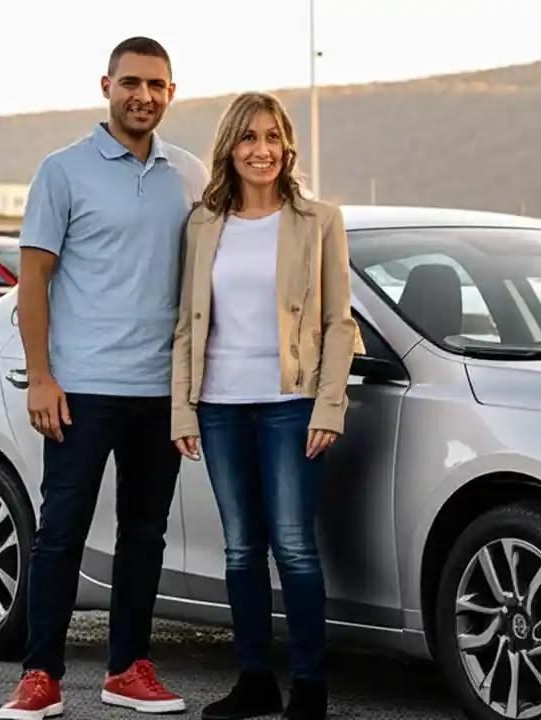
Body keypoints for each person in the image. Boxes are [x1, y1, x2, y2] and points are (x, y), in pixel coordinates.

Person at [0, 36, 208, 720]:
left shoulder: (190, 173)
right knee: (60, 529)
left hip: (160, 391)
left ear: (171, 93)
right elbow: (34, 279)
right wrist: (41, 378)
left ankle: (127, 669)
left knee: (144, 533)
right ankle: (41, 675)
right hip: (81, 388)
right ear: (106, 86)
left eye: (156, 85)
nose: (143, 95)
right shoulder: (62, 171)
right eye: (131, 83)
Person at [170, 91, 360, 720]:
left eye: (273, 137)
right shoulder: (203, 223)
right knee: (240, 549)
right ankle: (255, 681)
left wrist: (328, 407)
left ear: (287, 147)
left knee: (294, 547)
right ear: (230, 147)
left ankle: (308, 687)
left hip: (290, 404)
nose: (263, 151)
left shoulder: (317, 220)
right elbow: (187, 325)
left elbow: (339, 323)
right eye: (249, 138)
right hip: (221, 405)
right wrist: (183, 410)